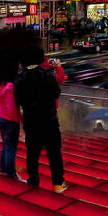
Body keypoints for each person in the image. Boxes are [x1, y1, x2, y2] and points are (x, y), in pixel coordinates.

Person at [14, 46, 67, 192]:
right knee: (54, 153)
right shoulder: (47, 75)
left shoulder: (19, 79)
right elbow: (56, 93)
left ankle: (33, 181)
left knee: (32, 153)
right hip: (49, 120)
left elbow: (17, 101)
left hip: (31, 121)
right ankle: (58, 183)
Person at [0, 67, 21, 179]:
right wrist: (19, 121)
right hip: (9, 120)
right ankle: (11, 174)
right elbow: (12, 109)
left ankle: (3, 169)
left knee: (6, 144)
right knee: (11, 147)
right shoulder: (11, 87)